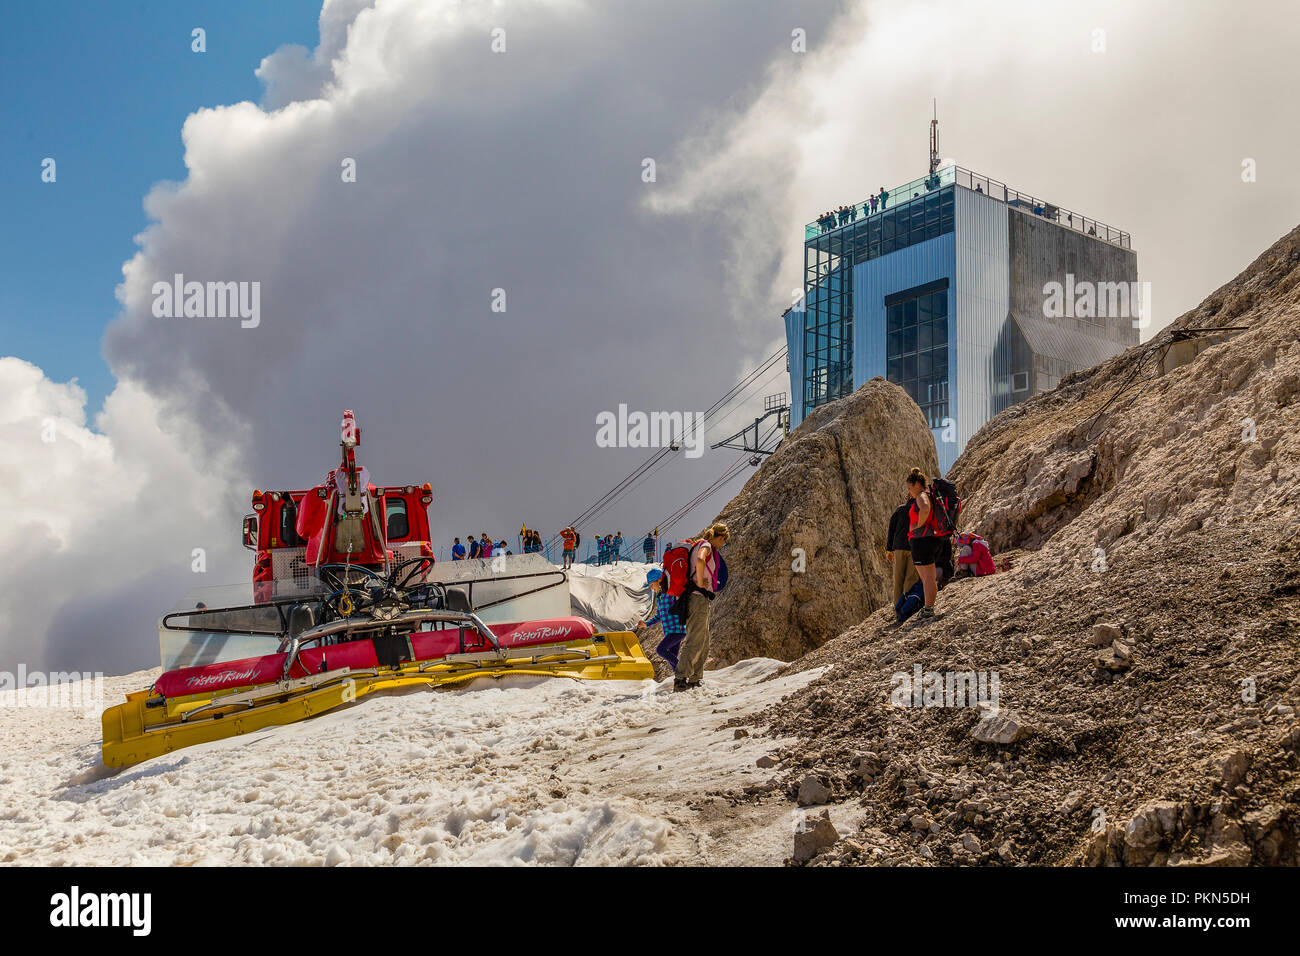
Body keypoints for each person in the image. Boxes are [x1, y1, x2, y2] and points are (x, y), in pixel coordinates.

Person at [675, 522, 729, 691]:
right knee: (695, 640)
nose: (722, 545)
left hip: (701, 599)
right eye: (723, 542)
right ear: (720, 538)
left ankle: (696, 677)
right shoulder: (705, 546)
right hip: (697, 598)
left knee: (703, 642)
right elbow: (700, 558)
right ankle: (681, 678)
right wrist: (699, 580)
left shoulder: (701, 544)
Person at [905, 468, 950, 621]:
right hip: (933, 539)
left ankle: (928, 609)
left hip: (921, 541)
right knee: (930, 577)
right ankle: (929, 608)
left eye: (910, 488)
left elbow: (925, 508)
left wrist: (917, 525)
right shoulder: (931, 495)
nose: (909, 492)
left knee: (926, 578)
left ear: (917, 484)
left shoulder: (922, 496)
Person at [638, 568, 687, 672]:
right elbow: (659, 616)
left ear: (659, 580)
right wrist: (646, 624)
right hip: (669, 632)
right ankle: (680, 679)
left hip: (677, 630)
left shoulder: (670, 593)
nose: (651, 588)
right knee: (672, 658)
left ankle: (683, 670)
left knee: (661, 650)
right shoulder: (659, 597)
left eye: (652, 585)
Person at [886, 501, 919, 604]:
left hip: (899, 547)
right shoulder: (920, 510)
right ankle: (906, 606)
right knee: (911, 579)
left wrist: (889, 549)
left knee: (898, 579)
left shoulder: (900, 509)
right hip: (914, 547)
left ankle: (897, 607)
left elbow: (891, 529)